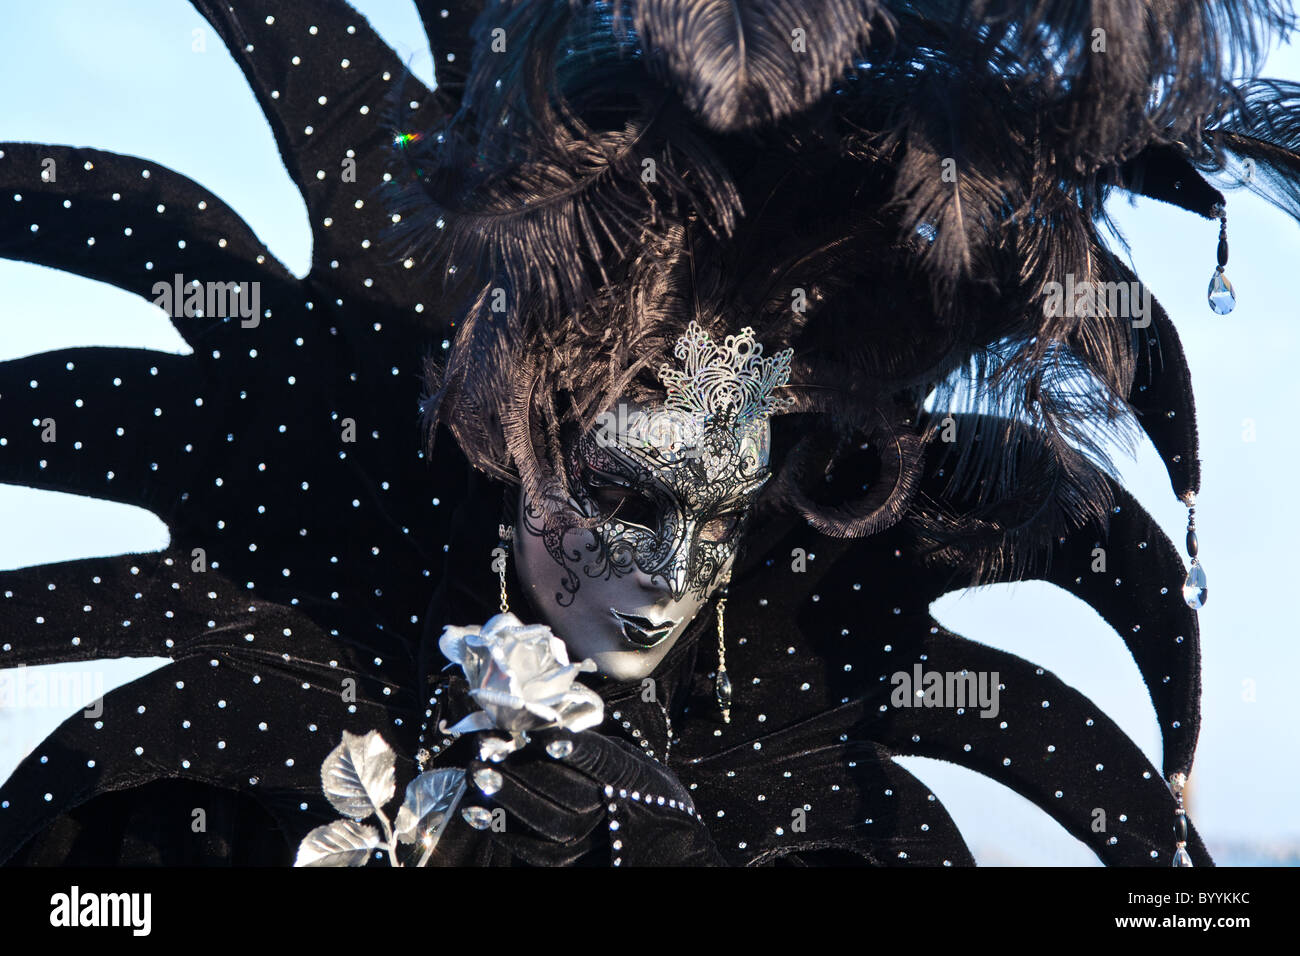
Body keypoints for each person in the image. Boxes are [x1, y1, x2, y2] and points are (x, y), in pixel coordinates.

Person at [3, 0, 1298, 865]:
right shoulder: (232, 707)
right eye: (627, 503)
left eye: (714, 516)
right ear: (522, 464)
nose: (668, 575)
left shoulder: (811, 770)